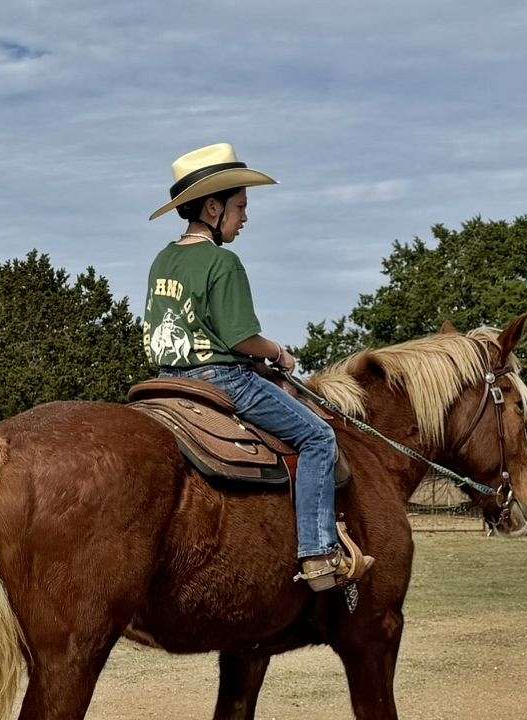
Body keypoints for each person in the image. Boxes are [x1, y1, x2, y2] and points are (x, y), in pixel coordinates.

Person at [144, 142, 373, 591]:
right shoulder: (222, 261)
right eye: (240, 207)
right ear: (213, 206)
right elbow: (238, 338)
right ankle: (318, 552)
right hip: (220, 379)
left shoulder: (163, 259)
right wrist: (276, 351)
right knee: (318, 436)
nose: (245, 218)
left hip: (165, 383)